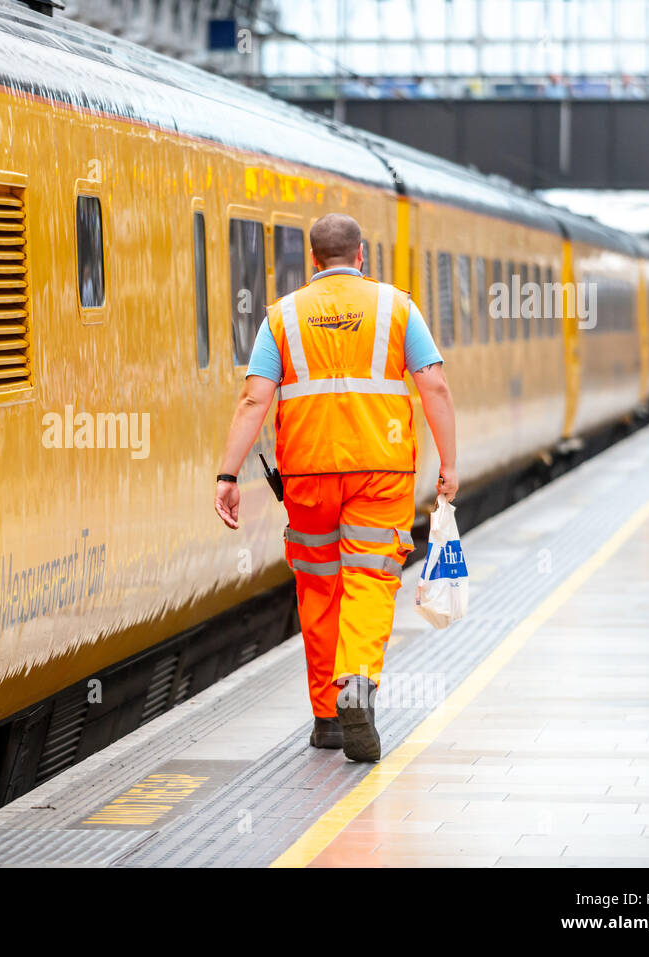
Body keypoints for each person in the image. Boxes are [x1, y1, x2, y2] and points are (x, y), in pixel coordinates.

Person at [213, 213, 458, 762]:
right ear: (362, 254)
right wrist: (449, 463)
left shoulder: (283, 316)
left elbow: (254, 399)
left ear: (313, 258)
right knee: (370, 579)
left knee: (319, 585)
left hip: (307, 474)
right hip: (381, 470)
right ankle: (356, 684)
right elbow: (434, 385)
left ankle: (327, 716)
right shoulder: (397, 307)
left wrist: (228, 476)